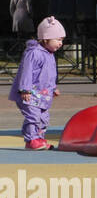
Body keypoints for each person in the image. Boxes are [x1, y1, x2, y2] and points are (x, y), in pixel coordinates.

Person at [9, 16, 64, 150]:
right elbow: (26, 71)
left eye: (62, 40)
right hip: (29, 93)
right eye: (58, 39)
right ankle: (31, 140)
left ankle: (39, 138)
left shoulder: (48, 54)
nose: (60, 43)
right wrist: (25, 89)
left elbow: (48, 75)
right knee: (33, 116)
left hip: (42, 94)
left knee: (43, 117)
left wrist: (53, 88)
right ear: (45, 39)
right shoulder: (34, 53)